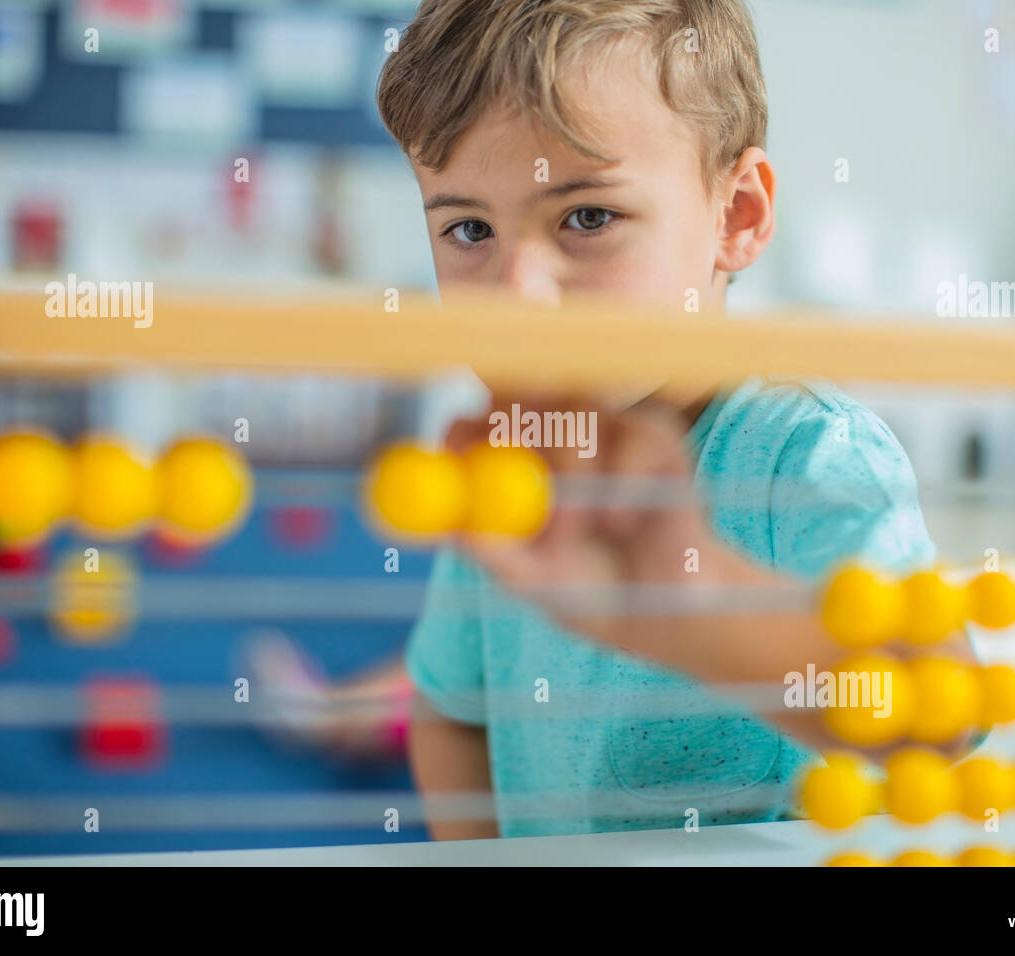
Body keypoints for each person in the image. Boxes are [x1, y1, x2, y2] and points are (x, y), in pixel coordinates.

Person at [376, 0, 977, 840]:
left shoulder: (806, 458)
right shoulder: (513, 475)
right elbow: (450, 712)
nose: (520, 297)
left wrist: (691, 607)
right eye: (468, 228)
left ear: (737, 217)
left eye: (588, 218)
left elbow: (939, 714)